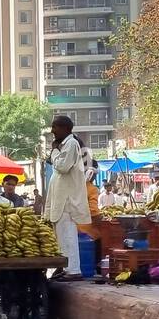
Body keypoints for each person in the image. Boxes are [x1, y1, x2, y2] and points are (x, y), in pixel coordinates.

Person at [43, 115, 91, 277]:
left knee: (67, 235)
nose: (52, 131)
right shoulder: (66, 144)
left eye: (55, 127)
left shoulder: (71, 144)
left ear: (64, 128)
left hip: (67, 201)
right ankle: (64, 267)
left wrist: (55, 151)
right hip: (60, 200)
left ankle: (73, 270)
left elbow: (62, 167)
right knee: (61, 236)